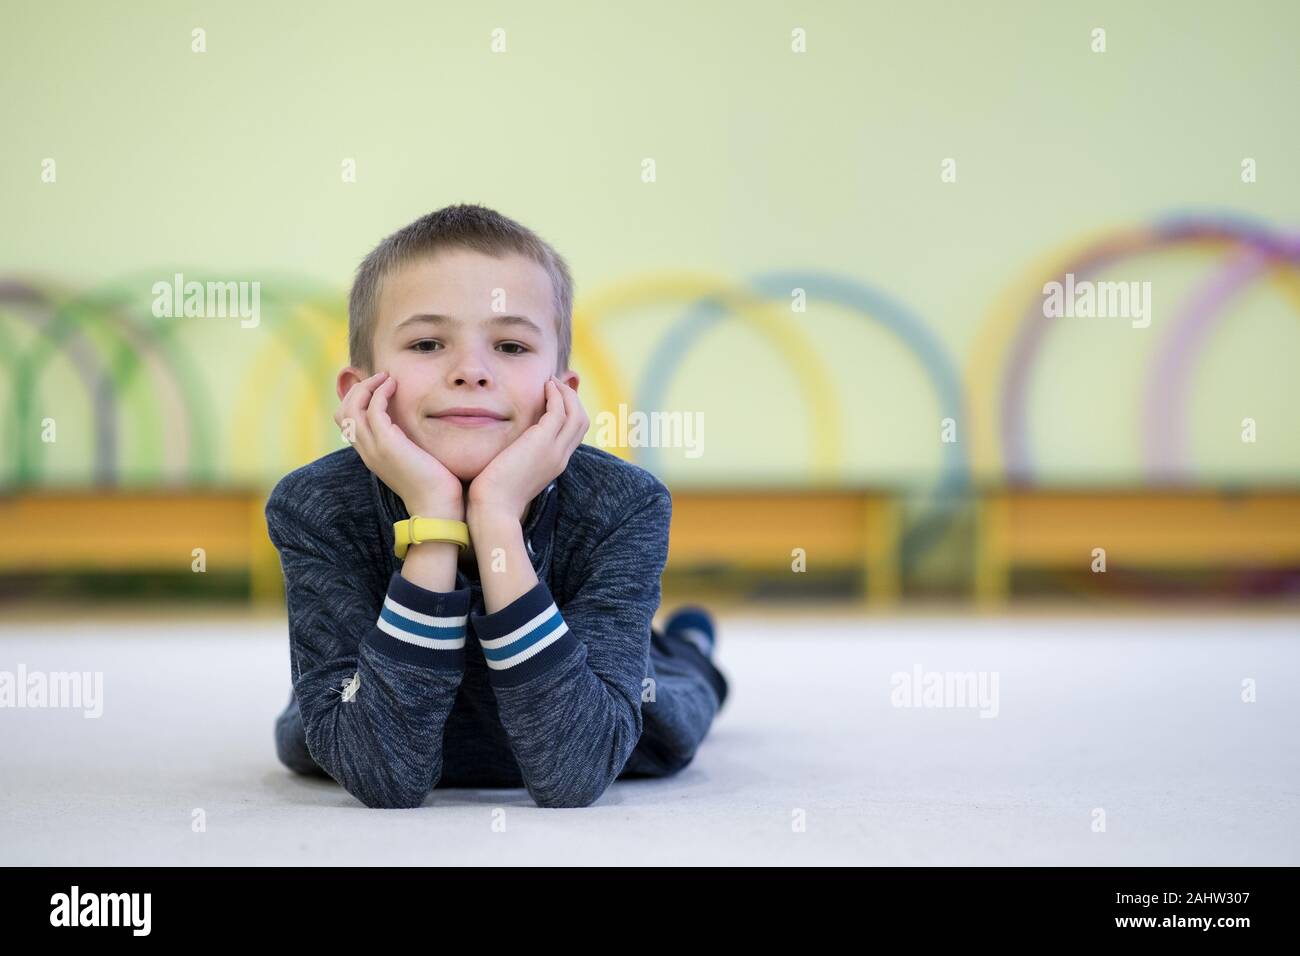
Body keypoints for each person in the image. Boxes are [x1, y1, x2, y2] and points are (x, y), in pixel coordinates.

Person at [267, 203, 728, 809]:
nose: (471, 372)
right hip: (372, 704)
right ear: (360, 395)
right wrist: (434, 517)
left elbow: (575, 773)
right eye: (428, 343)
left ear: (560, 395)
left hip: (586, 692)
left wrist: (496, 519)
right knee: (309, 726)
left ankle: (685, 645)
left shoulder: (626, 505)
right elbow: (382, 772)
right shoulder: (312, 507)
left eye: (510, 345)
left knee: (678, 689)